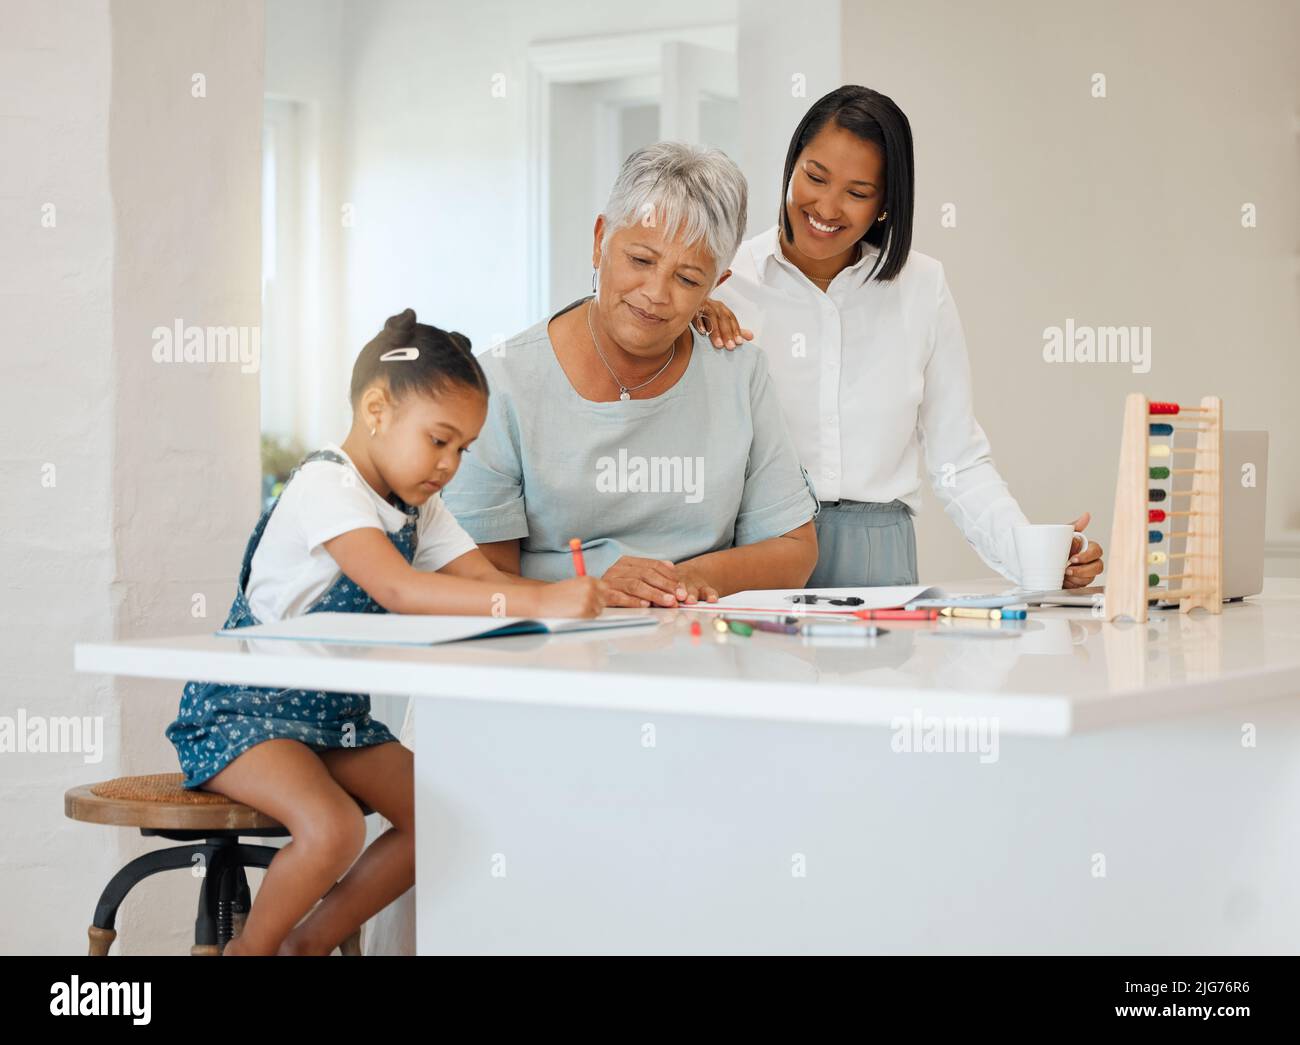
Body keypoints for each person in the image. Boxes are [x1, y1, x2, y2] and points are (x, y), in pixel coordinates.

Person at [165, 309, 606, 956]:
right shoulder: (326, 485)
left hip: (331, 716)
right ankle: (250, 951)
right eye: (439, 440)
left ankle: (307, 944)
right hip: (248, 710)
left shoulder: (417, 506)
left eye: (463, 449)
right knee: (334, 827)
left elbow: (482, 578)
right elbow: (401, 590)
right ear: (377, 408)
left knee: (438, 822)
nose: (451, 464)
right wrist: (547, 600)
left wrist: (574, 599)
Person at [693, 85, 1105, 588]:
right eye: (814, 177)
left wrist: (1034, 557)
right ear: (791, 166)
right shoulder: (723, 282)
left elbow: (960, 462)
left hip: (878, 558)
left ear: (886, 204)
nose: (826, 206)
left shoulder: (922, 287)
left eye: (858, 193)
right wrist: (684, 308)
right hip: (757, 552)